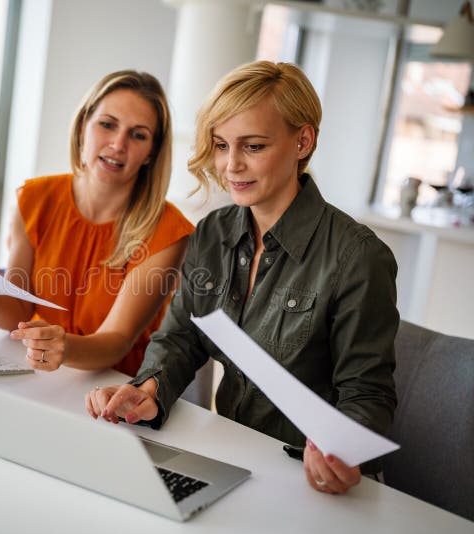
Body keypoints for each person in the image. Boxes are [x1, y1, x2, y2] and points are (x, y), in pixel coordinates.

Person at [85, 61, 399, 495]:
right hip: (235, 460)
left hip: (313, 480)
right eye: (220, 145)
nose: (231, 166)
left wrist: (343, 450)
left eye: (252, 146)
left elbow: (368, 394)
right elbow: (180, 339)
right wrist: (150, 388)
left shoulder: (358, 256)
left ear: (302, 141)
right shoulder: (214, 232)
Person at [0, 70, 195, 376]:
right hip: (47, 378)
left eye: (138, 135)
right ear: (82, 128)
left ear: (150, 154)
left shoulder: (169, 231)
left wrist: (64, 348)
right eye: (107, 125)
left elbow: (117, 341)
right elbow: (17, 313)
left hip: (118, 394)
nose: (118, 144)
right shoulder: (34, 199)